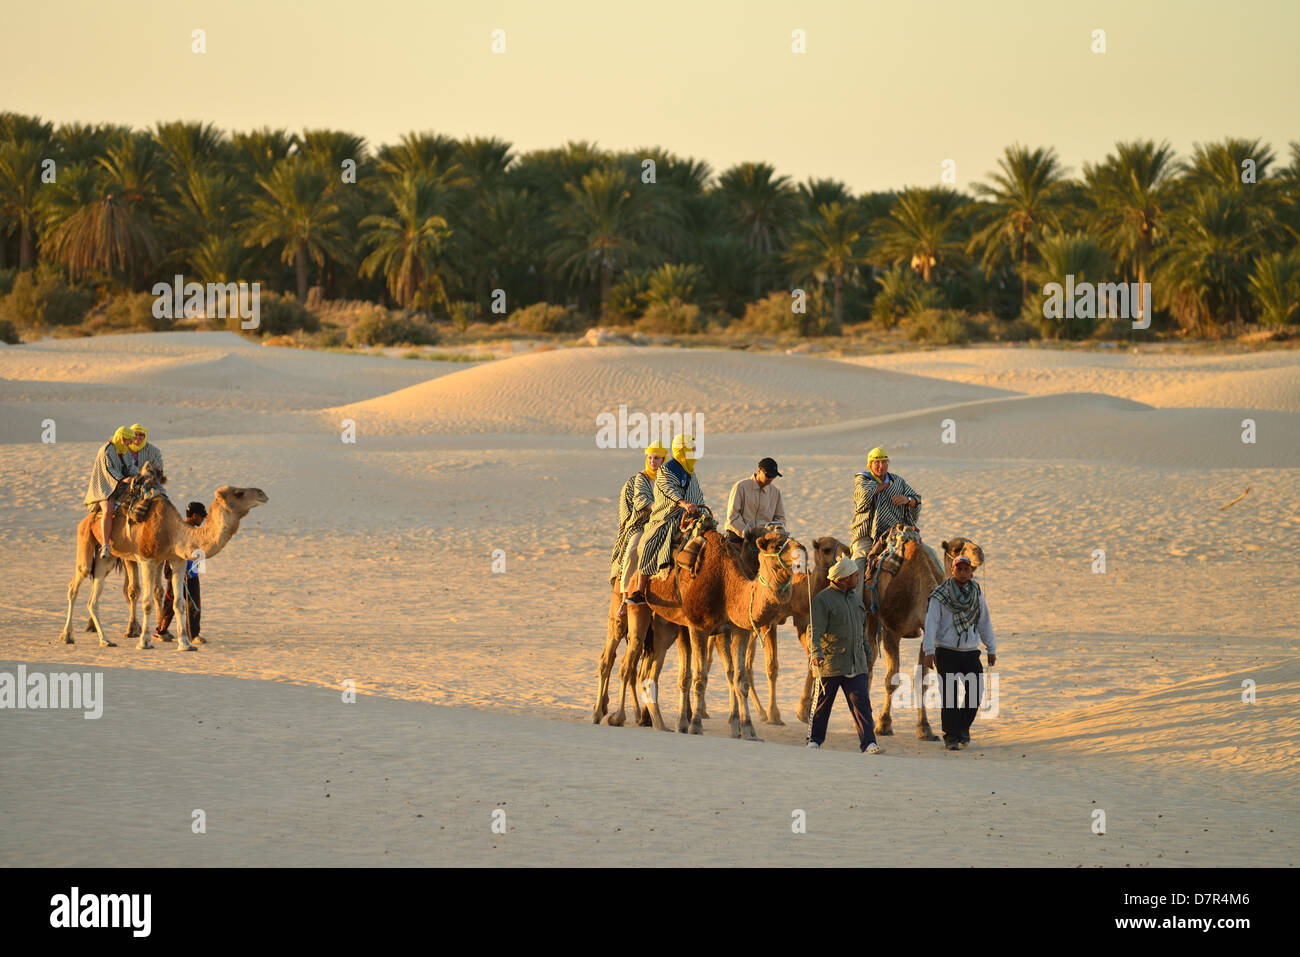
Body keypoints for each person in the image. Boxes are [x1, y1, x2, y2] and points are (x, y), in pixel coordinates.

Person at [806, 556, 882, 754]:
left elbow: (862, 632)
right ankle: (814, 740)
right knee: (822, 706)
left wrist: (868, 655)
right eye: (856, 576)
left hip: (856, 664)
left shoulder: (856, 600)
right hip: (830, 664)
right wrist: (816, 654)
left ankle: (869, 743)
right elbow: (813, 631)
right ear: (845, 578)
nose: (858, 579)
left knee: (862, 706)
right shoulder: (823, 600)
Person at [923, 554, 997, 751]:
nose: (963, 573)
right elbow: (931, 623)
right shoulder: (940, 594)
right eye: (959, 569)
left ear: (971, 572)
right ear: (952, 570)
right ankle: (951, 736)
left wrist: (991, 647)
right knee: (950, 695)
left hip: (970, 651)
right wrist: (929, 650)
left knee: (975, 692)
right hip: (946, 651)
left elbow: (984, 621)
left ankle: (963, 728)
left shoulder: (976, 593)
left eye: (967, 569)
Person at [849, 446, 929, 606]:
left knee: (926, 555)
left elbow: (917, 499)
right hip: (866, 536)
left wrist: (907, 500)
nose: (881, 466)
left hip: (893, 535)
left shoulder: (897, 481)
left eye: (884, 462)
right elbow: (863, 495)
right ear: (870, 465)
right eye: (877, 462)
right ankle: (855, 610)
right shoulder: (863, 479)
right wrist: (884, 486)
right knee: (857, 565)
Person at [632, 433, 706, 599]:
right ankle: (640, 591)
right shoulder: (667, 469)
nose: (694, 450)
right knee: (649, 542)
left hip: (688, 517)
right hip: (666, 516)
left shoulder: (690, 472)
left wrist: (702, 511)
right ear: (682, 450)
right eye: (691, 448)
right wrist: (683, 503)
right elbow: (667, 489)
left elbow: (697, 495)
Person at [610, 443, 667, 617]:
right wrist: (660, 507)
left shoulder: (666, 478)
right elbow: (642, 500)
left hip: (663, 523)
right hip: (642, 524)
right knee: (633, 550)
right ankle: (627, 596)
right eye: (649, 457)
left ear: (663, 459)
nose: (652, 461)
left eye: (656, 458)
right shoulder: (641, 478)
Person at [155, 502, 207, 642]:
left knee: (194, 603)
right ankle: (161, 631)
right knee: (171, 602)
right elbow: (172, 551)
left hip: (192, 573)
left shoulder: (195, 532)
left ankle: (193, 635)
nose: (203, 520)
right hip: (177, 572)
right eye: (202, 517)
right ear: (195, 516)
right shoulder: (178, 530)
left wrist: (199, 568)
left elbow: (199, 550)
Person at [83, 426, 137, 560]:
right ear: (120, 438)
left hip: (121, 486)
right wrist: (123, 479)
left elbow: (130, 467)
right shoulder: (106, 450)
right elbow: (109, 470)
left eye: (130, 441)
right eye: (127, 440)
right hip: (106, 486)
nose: (129, 443)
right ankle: (106, 545)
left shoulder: (124, 451)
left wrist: (138, 475)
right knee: (108, 510)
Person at [724, 457, 787, 546]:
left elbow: (780, 518)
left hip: (764, 538)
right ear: (759, 471)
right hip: (738, 536)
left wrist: (772, 531)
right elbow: (733, 516)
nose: (770, 479)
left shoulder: (775, 492)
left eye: (773, 476)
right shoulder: (741, 487)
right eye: (768, 475)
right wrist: (747, 533)